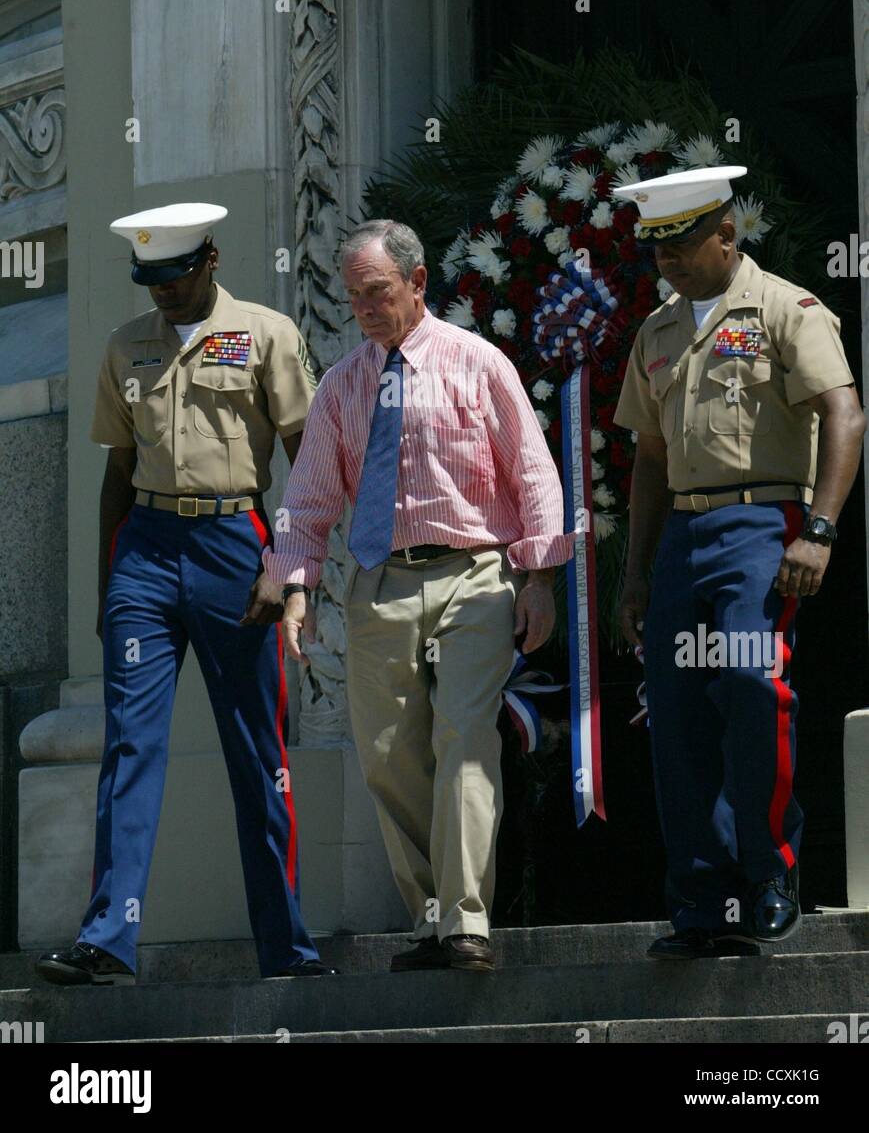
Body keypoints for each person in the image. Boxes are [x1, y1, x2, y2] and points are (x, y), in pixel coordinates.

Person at [263, 219, 574, 973]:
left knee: (463, 739)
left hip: (473, 575)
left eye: (378, 294)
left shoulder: (477, 362)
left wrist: (538, 578)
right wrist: (295, 590)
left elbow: (532, 475)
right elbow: (306, 501)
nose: (365, 310)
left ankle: (467, 922)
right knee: (384, 758)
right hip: (380, 583)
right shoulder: (341, 384)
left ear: (417, 283)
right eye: (354, 299)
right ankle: (432, 917)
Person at [36, 202, 334, 984]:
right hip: (145, 549)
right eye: (149, 279)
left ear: (209, 259)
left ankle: (287, 949)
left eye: (173, 276)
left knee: (256, 754)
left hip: (237, 545)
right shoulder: (123, 345)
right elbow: (115, 474)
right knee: (131, 747)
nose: (161, 292)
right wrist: (111, 590)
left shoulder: (267, 333)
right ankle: (108, 941)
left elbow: (307, 461)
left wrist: (292, 572)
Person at [613, 167, 865, 959]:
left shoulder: (785, 308)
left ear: (727, 234)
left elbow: (843, 413)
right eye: (656, 247)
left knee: (753, 686)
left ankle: (768, 873)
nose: (669, 261)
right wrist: (634, 571)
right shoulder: (653, 331)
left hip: (764, 522)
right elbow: (648, 457)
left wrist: (817, 531)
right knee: (677, 716)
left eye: (683, 243)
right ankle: (702, 903)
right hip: (683, 537)